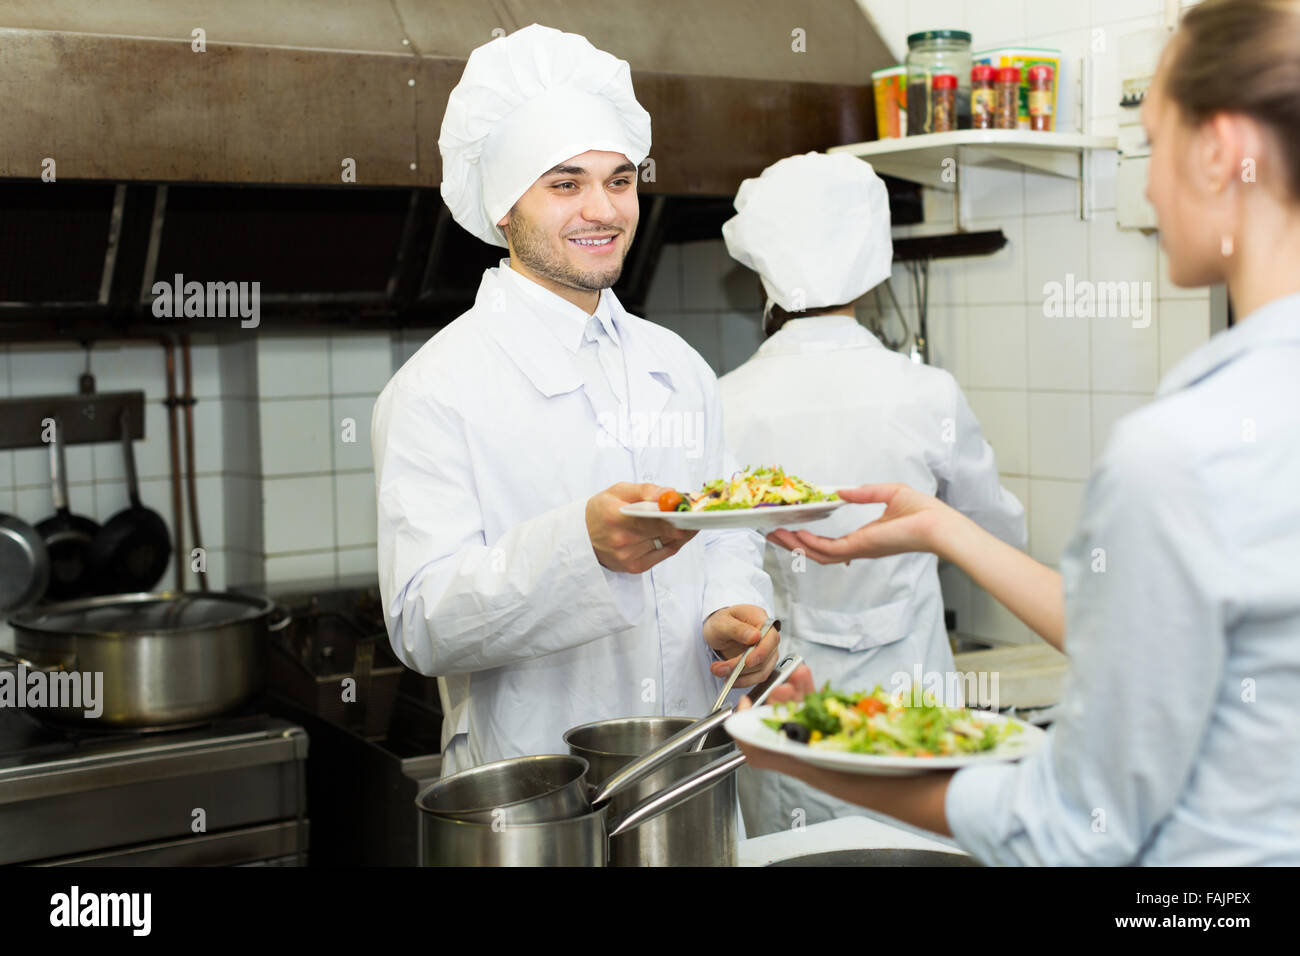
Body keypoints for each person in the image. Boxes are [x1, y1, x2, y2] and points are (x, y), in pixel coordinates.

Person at [737, 0, 1300, 865]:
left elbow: (1073, 831)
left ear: (1222, 152)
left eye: (1150, 141)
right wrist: (942, 526)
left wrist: (805, 746)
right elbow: (1137, 632)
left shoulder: (1184, 450)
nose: (1145, 182)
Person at [372, 24, 777, 777]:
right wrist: (578, 549)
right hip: (534, 783)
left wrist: (730, 611)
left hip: (689, 764)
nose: (604, 210)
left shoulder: (678, 367)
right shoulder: (437, 388)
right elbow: (421, 623)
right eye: (565, 183)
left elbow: (724, 533)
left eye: (618, 180)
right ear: (503, 207)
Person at [717, 152, 1026, 836]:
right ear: (874, 257)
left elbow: (709, 570)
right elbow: (999, 539)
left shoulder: (724, 402)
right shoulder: (925, 392)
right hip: (914, 706)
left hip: (783, 709)